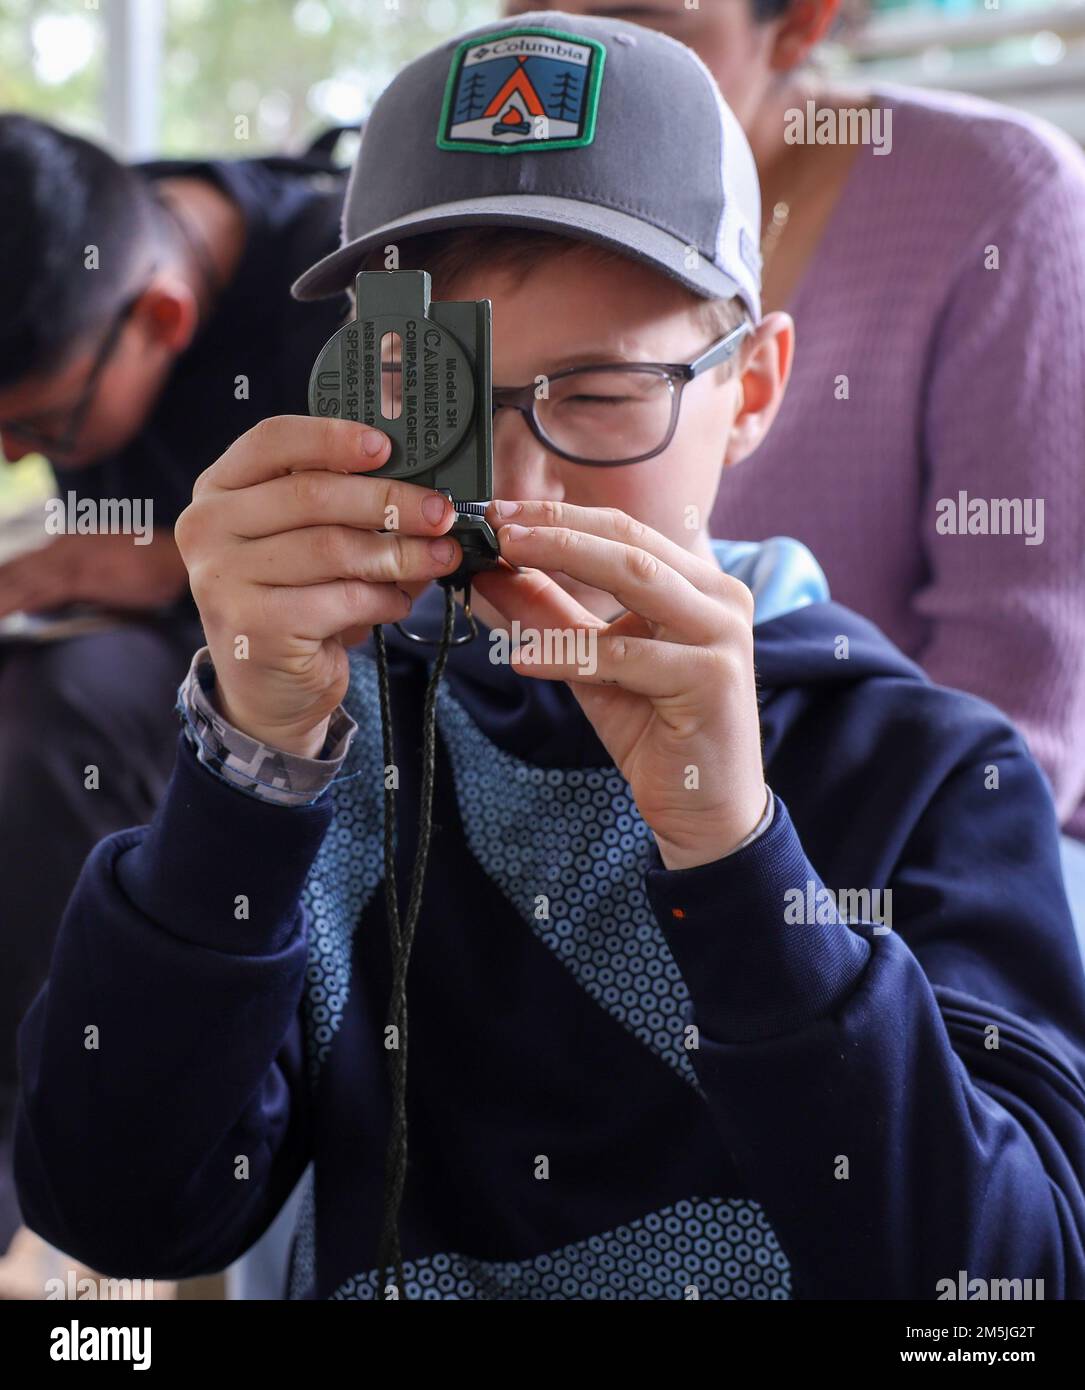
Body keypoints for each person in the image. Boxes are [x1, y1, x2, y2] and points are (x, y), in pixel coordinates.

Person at [13, 12, 1085, 1300]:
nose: (508, 491)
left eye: (595, 397)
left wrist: (737, 854)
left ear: (750, 394)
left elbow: (1007, 1288)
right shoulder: (339, 755)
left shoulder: (921, 770)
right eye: (435, 399)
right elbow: (122, 1213)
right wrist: (244, 770)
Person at [503, 2, 1085, 855]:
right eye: (530, 20)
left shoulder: (1002, 203)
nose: (571, 74)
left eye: (635, 21)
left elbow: (1022, 711)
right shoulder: (479, 234)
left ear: (800, 24)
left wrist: (729, 855)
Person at [0, 115, 347, 1254]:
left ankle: (49, 1156)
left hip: (294, 687)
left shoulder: (347, 295)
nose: (20, 459)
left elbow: (409, 550)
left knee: (62, 716)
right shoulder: (64, 242)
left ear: (163, 317)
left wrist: (145, 560)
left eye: (39, 427)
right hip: (115, 640)